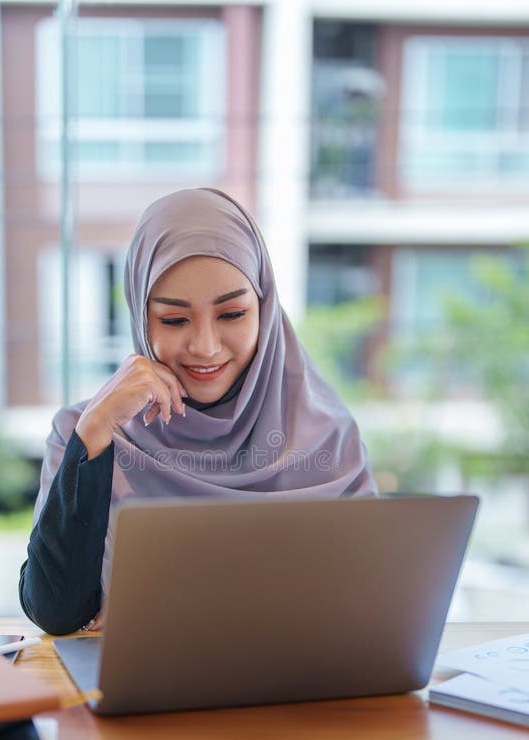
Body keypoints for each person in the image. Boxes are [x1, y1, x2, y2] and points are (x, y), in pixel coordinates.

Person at [19, 188, 377, 636]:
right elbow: (55, 611)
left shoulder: (328, 437)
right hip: (143, 700)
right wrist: (94, 431)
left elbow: (371, 609)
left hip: (298, 700)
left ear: (264, 312)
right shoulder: (87, 434)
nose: (205, 347)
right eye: (173, 320)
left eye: (232, 314)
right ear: (139, 316)